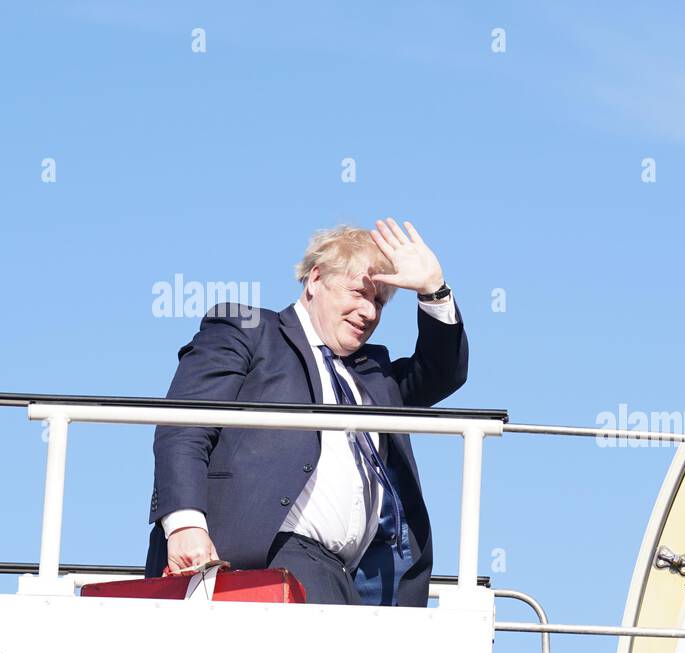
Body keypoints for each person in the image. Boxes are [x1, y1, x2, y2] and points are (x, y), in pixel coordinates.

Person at [144, 219, 468, 606]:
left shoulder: (374, 374)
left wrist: (434, 290)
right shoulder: (250, 331)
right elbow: (184, 426)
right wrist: (185, 525)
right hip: (264, 558)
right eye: (358, 293)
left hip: (362, 578)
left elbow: (442, 373)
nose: (369, 312)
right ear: (316, 279)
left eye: (379, 302)